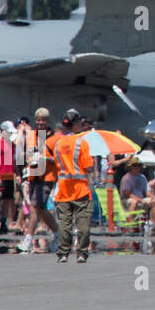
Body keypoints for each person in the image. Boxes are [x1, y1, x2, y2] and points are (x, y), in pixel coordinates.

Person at [49, 109, 94, 263]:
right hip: (80, 190)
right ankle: (81, 253)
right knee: (83, 225)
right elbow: (88, 166)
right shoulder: (82, 143)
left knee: (65, 224)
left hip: (63, 190)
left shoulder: (58, 144)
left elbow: (56, 163)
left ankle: (63, 253)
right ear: (75, 124)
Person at [18, 107, 59, 252]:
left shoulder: (55, 138)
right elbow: (24, 154)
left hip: (47, 176)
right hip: (33, 174)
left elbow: (59, 160)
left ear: (47, 121)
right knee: (40, 209)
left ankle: (28, 240)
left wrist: (46, 158)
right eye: (38, 121)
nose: (40, 123)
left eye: (43, 121)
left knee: (35, 207)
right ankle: (57, 233)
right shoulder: (31, 136)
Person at [119, 157, 155, 227]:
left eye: (139, 165)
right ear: (130, 167)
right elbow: (126, 193)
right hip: (126, 200)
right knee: (134, 202)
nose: (137, 167)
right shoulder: (126, 178)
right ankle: (131, 225)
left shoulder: (142, 177)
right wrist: (139, 200)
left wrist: (152, 197)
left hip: (140, 198)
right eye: (135, 165)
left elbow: (146, 191)